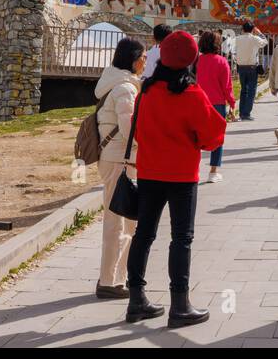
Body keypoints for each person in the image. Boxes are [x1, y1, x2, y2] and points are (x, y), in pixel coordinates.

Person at [123, 30, 226, 326]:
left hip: (150, 172)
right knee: (181, 238)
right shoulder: (193, 95)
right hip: (182, 175)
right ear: (191, 61)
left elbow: (138, 129)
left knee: (143, 233)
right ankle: (179, 304)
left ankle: (136, 300)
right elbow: (211, 138)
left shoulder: (147, 91)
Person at [93, 37, 145, 299]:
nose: (145, 62)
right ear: (134, 60)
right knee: (120, 223)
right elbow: (129, 130)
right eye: (143, 57)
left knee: (120, 221)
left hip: (113, 158)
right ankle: (110, 281)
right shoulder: (125, 89)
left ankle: (112, 277)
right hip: (120, 161)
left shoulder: (114, 83)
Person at [195, 30, 234, 183]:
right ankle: (213, 171)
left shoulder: (198, 61)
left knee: (197, 137)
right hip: (217, 104)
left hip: (199, 102)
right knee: (218, 137)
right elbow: (227, 86)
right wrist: (232, 103)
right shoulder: (222, 61)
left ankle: (195, 168)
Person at [232, 21, 266, 121]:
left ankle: (242, 112)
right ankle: (246, 113)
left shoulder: (237, 39)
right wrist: (259, 33)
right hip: (252, 67)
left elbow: (231, 49)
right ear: (252, 30)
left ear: (242, 29)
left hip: (241, 67)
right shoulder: (255, 38)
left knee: (243, 90)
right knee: (252, 90)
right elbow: (265, 42)